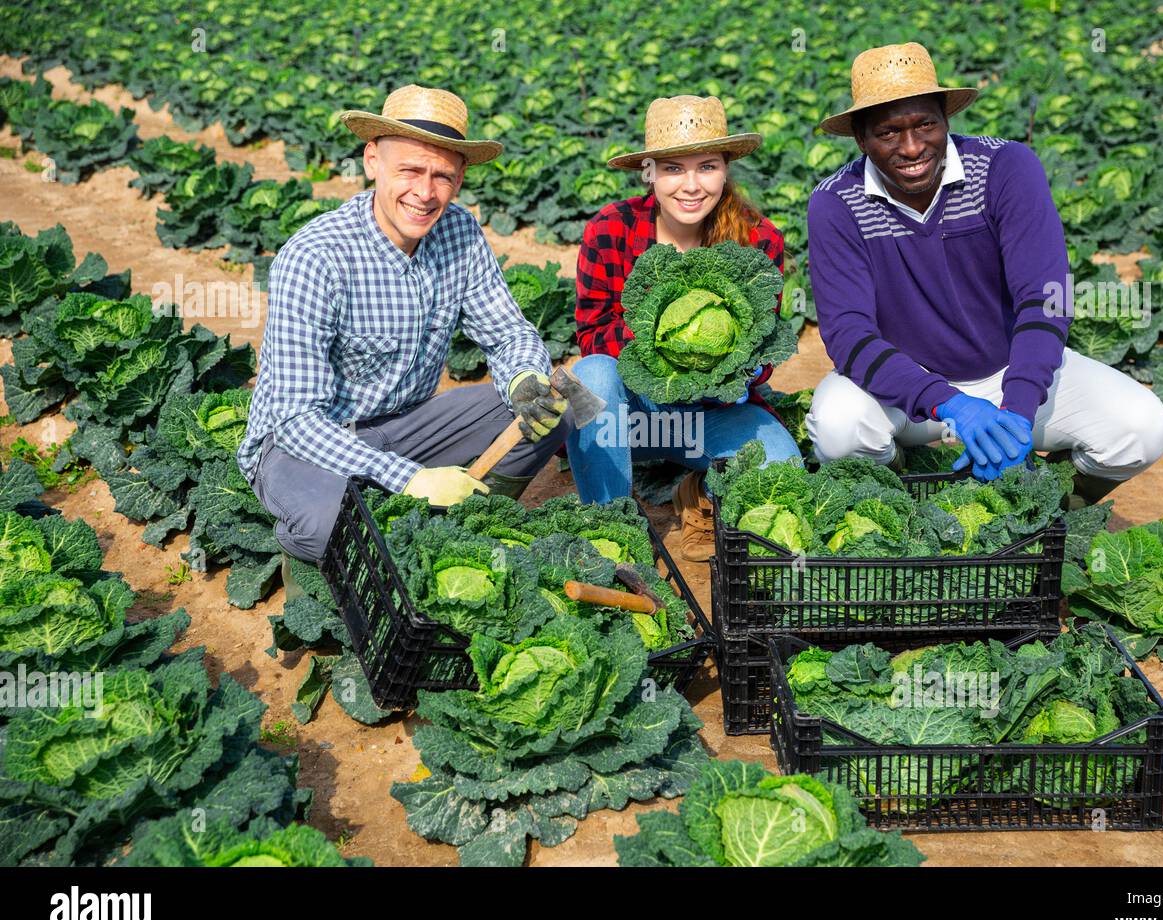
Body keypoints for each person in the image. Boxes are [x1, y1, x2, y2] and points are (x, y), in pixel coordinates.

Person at [805, 43, 1163, 501]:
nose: (913, 146)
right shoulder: (836, 202)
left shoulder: (1005, 168)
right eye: (888, 133)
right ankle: (902, 492)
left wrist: (1018, 411)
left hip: (1009, 371)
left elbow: (1046, 298)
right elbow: (848, 334)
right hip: (909, 392)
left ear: (946, 119)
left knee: (1142, 428)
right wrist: (948, 401)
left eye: (925, 124)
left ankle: (1049, 510)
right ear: (860, 139)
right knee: (839, 428)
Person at [238, 85, 571, 571]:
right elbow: (294, 420)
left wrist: (523, 380)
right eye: (410, 170)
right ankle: (322, 558)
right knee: (330, 524)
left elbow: (507, 334)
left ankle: (466, 524)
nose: (425, 192)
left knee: (553, 409)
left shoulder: (459, 232)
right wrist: (410, 479)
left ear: (459, 180)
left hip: (406, 426)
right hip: (305, 444)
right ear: (372, 160)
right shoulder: (316, 257)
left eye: (443, 176)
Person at [567, 94, 801, 558]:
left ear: (726, 168)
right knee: (591, 375)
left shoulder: (756, 239)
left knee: (783, 470)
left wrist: (723, 370)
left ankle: (696, 490)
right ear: (649, 172)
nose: (691, 185)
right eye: (673, 169)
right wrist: (661, 350)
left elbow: (764, 347)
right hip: (631, 415)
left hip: (713, 412)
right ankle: (612, 532)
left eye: (707, 167)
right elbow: (593, 331)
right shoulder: (611, 229)